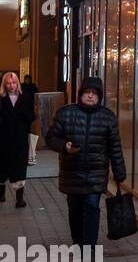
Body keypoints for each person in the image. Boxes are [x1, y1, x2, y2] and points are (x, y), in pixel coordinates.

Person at [45, 77, 127, 251]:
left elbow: (115, 148)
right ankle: (78, 243)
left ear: (100, 96)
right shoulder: (65, 113)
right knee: (75, 209)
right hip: (72, 172)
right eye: (87, 92)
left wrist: (119, 172)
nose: (90, 96)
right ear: (81, 93)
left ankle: (89, 247)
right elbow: (51, 138)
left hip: (96, 173)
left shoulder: (108, 117)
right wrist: (64, 146)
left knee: (91, 207)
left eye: (94, 93)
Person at [0, 72, 35, 207]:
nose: (11, 86)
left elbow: (32, 116)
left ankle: (19, 199)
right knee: (2, 167)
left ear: (17, 83)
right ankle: (1, 194)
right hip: (3, 139)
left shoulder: (24, 97)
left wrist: (23, 114)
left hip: (20, 139)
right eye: (8, 83)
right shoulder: (1, 99)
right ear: (4, 84)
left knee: (20, 168)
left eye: (14, 83)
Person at [22, 74, 39, 165]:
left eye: (29, 79)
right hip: (25, 113)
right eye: (26, 79)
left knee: (30, 134)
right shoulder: (22, 87)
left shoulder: (33, 87)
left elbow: (36, 97)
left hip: (30, 112)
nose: (27, 81)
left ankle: (30, 156)